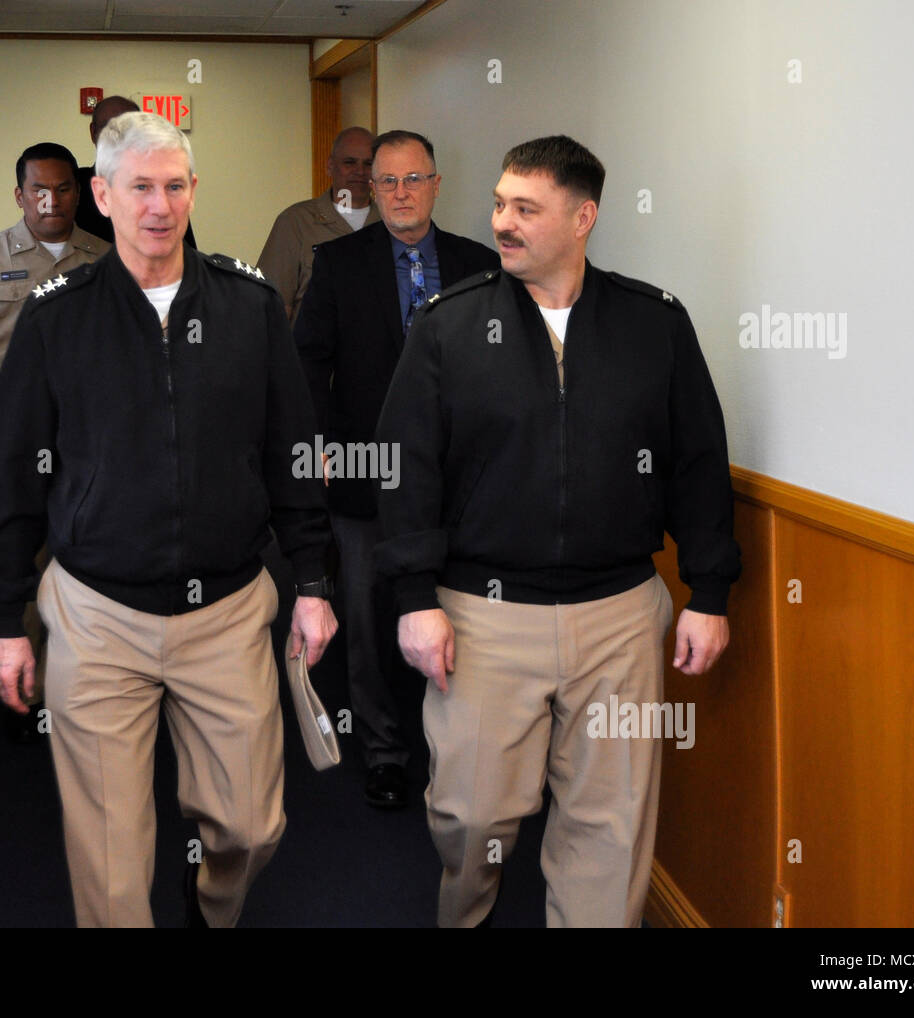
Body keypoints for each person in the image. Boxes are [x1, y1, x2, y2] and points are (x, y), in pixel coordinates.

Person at [0, 111, 338, 928]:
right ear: (103, 195)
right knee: (109, 864)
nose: (159, 206)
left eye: (174, 186)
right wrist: (4, 616)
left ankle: (208, 905)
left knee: (251, 827)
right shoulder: (57, 316)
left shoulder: (246, 308)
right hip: (98, 616)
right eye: (139, 187)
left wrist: (311, 580)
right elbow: (8, 479)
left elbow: (291, 452)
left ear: (193, 191)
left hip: (230, 612)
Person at [374, 134, 741, 927]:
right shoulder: (448, 325)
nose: (501, 221)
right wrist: (413, 594)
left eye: (525, 209)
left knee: (610, 826)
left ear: (584, 218)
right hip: (481, 613)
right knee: (472, 820)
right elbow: (405, 468)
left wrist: (709, 591)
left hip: (620, 615)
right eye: (501, 203)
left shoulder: (655, 325)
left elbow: (699, 463)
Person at [294, 130, 498, 809]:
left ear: (437, 184)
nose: (402, 193)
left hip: (458, 477)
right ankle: (383, 750)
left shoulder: (480, 264)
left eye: (415, 179)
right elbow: (306, 363)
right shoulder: (338, 262)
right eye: (387, 181)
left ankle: (454, 750)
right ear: (369, 188)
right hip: (364, 469)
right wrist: (318, 443)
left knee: (457, 613)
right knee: (370, 614)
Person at [0, 142, 109, 483]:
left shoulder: (109, 261)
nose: (52, 200)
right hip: (11, 416)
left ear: (78, 193)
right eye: (39, 190)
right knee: (13, 531)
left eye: (63, 189)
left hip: (92, 420)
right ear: (20, 196)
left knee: (88, 532)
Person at [257, 126, 380, 323]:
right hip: (310, 351)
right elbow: (272, 309)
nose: (360, 171)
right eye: (349, 162)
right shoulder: (296, 222)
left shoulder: (391, 223)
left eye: (368, 164)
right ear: (330, 166)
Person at [76, 95, 196, 249]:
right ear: (93, 132)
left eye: (130, 130)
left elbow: (185, 253)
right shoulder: (75, 188)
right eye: (110, 129)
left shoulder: (163, 188)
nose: (121, 139)